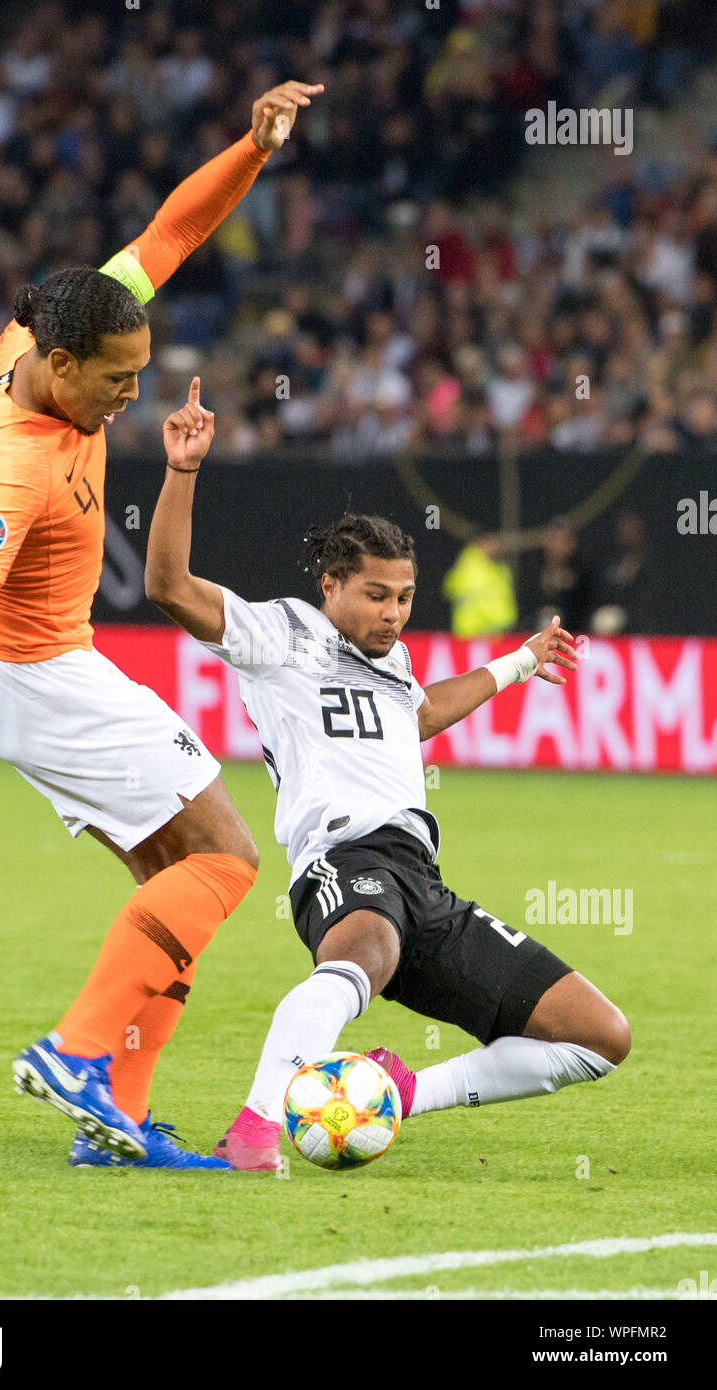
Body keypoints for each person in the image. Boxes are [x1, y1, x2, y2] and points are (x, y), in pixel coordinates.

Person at [0, 82, 324, 1171]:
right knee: (232, 858)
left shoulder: (62, 317)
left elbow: (169, 230)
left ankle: (117, 1126)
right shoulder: (12, 463)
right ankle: (74, 1050)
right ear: (60, 367)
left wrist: (249, 150)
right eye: (116, 383)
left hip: (45, 669)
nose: (130, 399)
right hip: (40, 671)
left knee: (177, 889)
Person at [143, 385, 631, 1170]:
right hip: (343, 862)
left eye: (404, 596)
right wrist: (182, 471)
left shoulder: (393, 659)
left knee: (601, 1036)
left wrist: (519, 661)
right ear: (329, 585)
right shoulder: (279, 637)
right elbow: (168, 585)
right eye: (376, 595)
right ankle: (255, 1125)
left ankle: (397, 1093)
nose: (394, 612)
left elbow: (420, 714)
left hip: (423, 883)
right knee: (361, 954)